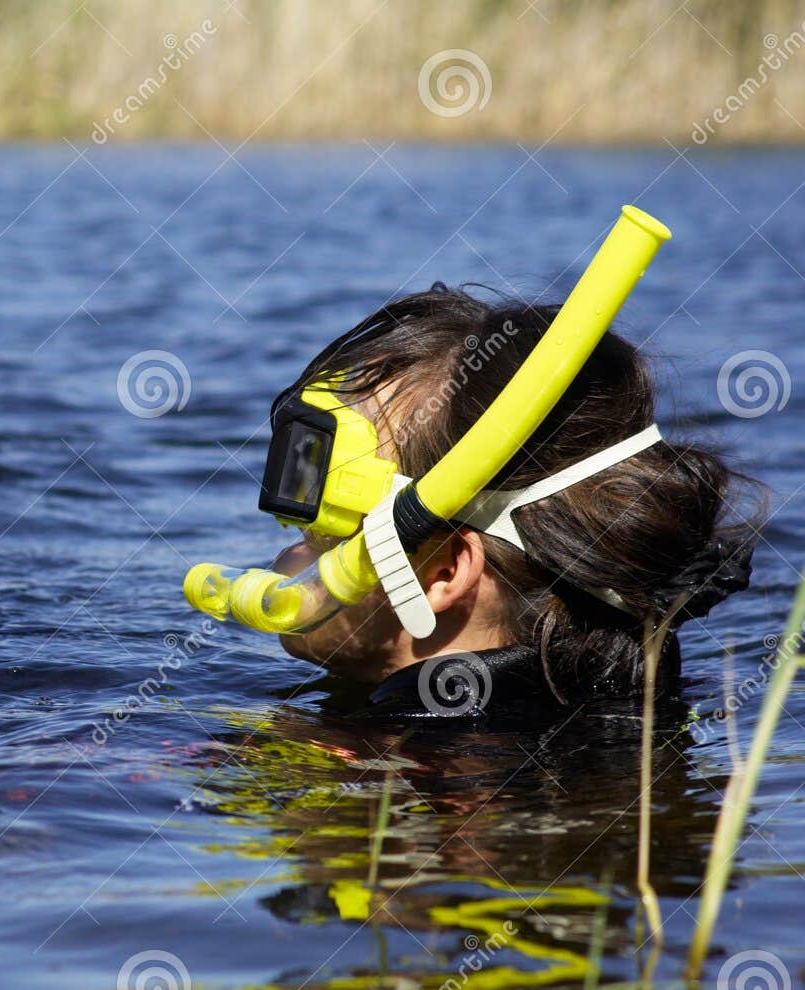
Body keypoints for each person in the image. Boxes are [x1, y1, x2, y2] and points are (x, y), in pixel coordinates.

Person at [271, 285, 756, 717]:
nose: (288, 548)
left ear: (442, 573)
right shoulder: (636, 705)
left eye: (324, 522)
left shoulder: (378, 775)